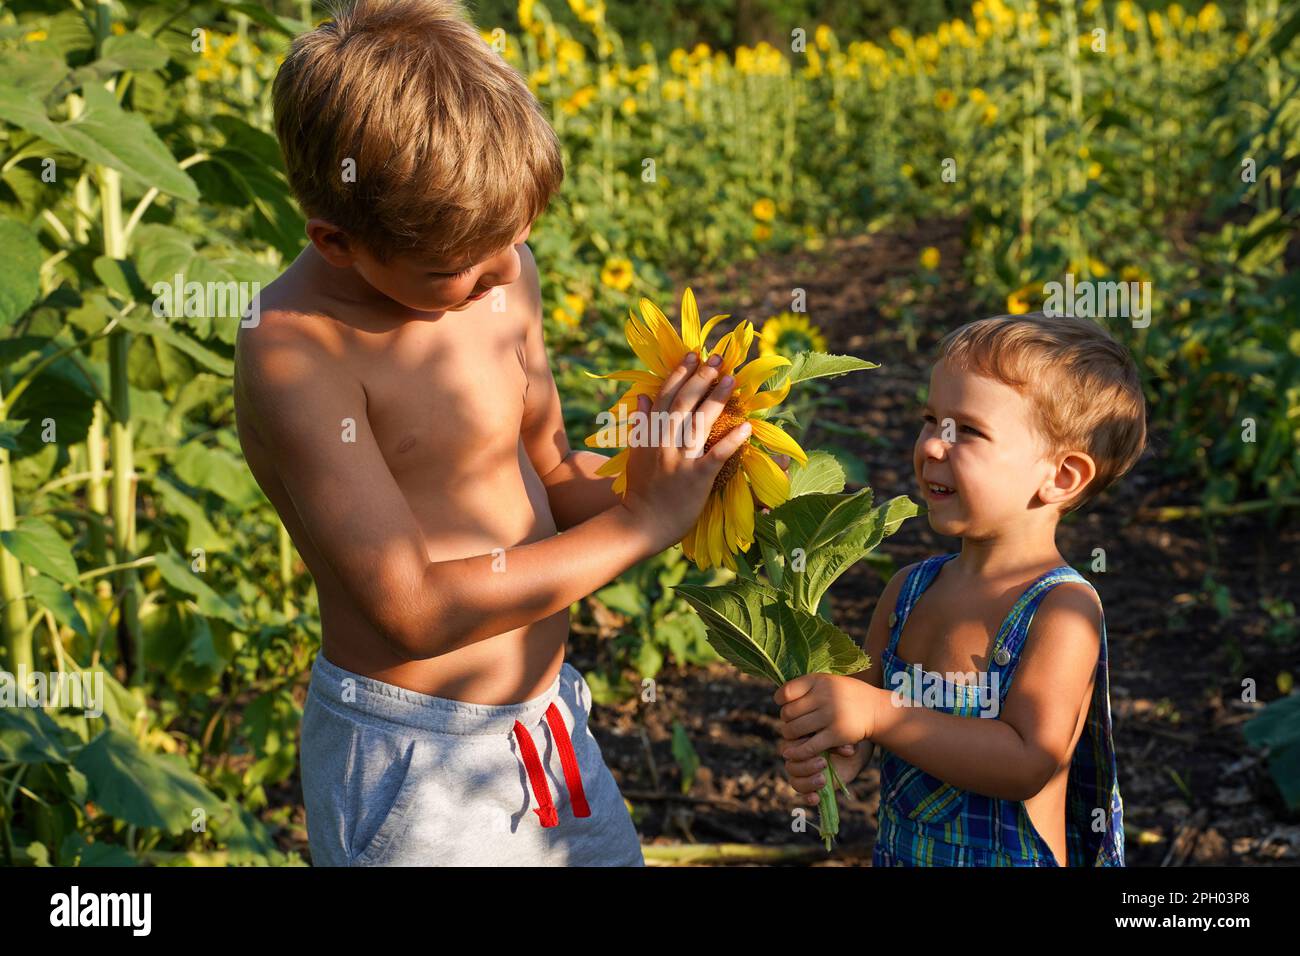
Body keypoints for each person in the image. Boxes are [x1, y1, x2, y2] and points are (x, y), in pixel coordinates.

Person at [234, 0, 750, 865]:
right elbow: (412, 609)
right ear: (337, 240)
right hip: (417, 762)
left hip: (549, 723)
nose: (496, 277)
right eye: (453, 268)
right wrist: (641, 524)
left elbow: (549, 468)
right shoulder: (298, 352)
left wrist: (681, 473)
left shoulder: (505, 274)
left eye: (511, 241)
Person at [776, 312, 1146, 866]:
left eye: (966, 431)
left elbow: (1027, 761)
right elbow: (862, 720)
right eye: (930, 419)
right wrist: (837, 747)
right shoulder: (907, 592)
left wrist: (879, 715)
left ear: (1062, 477)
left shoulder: (1060, 609)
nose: (930, 446)